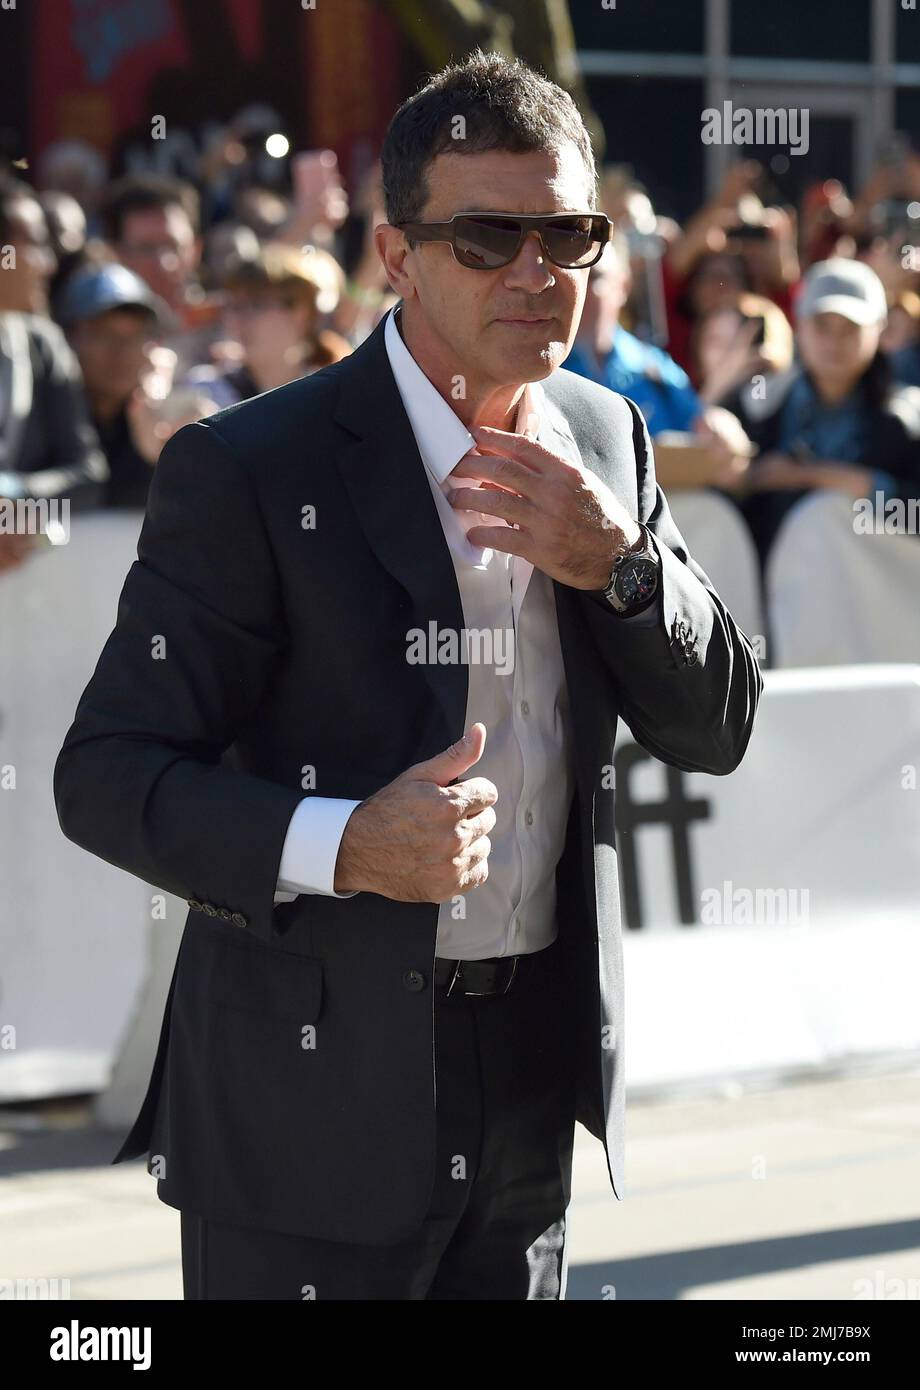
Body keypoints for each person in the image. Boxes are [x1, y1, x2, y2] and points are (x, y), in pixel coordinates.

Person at [53, 50, 761, 1301]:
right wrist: (343, 843)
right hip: (304, 1106)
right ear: (395, 255)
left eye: (568, 234)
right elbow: (103, 777)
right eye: (487, 238)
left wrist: (624, 566)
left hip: (533, 1081)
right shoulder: (252, 470)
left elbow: (715, 728)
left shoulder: (604, 431)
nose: (537, 274)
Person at [730, 258, 920, 564]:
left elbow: (916, 515)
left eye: (851, 328)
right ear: (799, 327)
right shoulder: (757, 405)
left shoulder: (910, 418)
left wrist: (817, 477)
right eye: (822, 325)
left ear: (880, 332)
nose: (835, 341)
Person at [0, 177, 108, 578]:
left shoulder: (43, 346)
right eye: (33, 244)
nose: (48, 263)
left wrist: (14, 502)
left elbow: (88, 477)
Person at [58, 263, 214, 509]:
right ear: (68, 338)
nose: (121, 352)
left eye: (136, 336)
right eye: (103, 334)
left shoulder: (164, 417)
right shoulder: (40, 417)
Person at [185, 243, 351, 408]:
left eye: (256, 304)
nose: (238, 319)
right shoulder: (205, 392)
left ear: (301, 313)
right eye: (235, 305)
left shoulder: (336, 391)